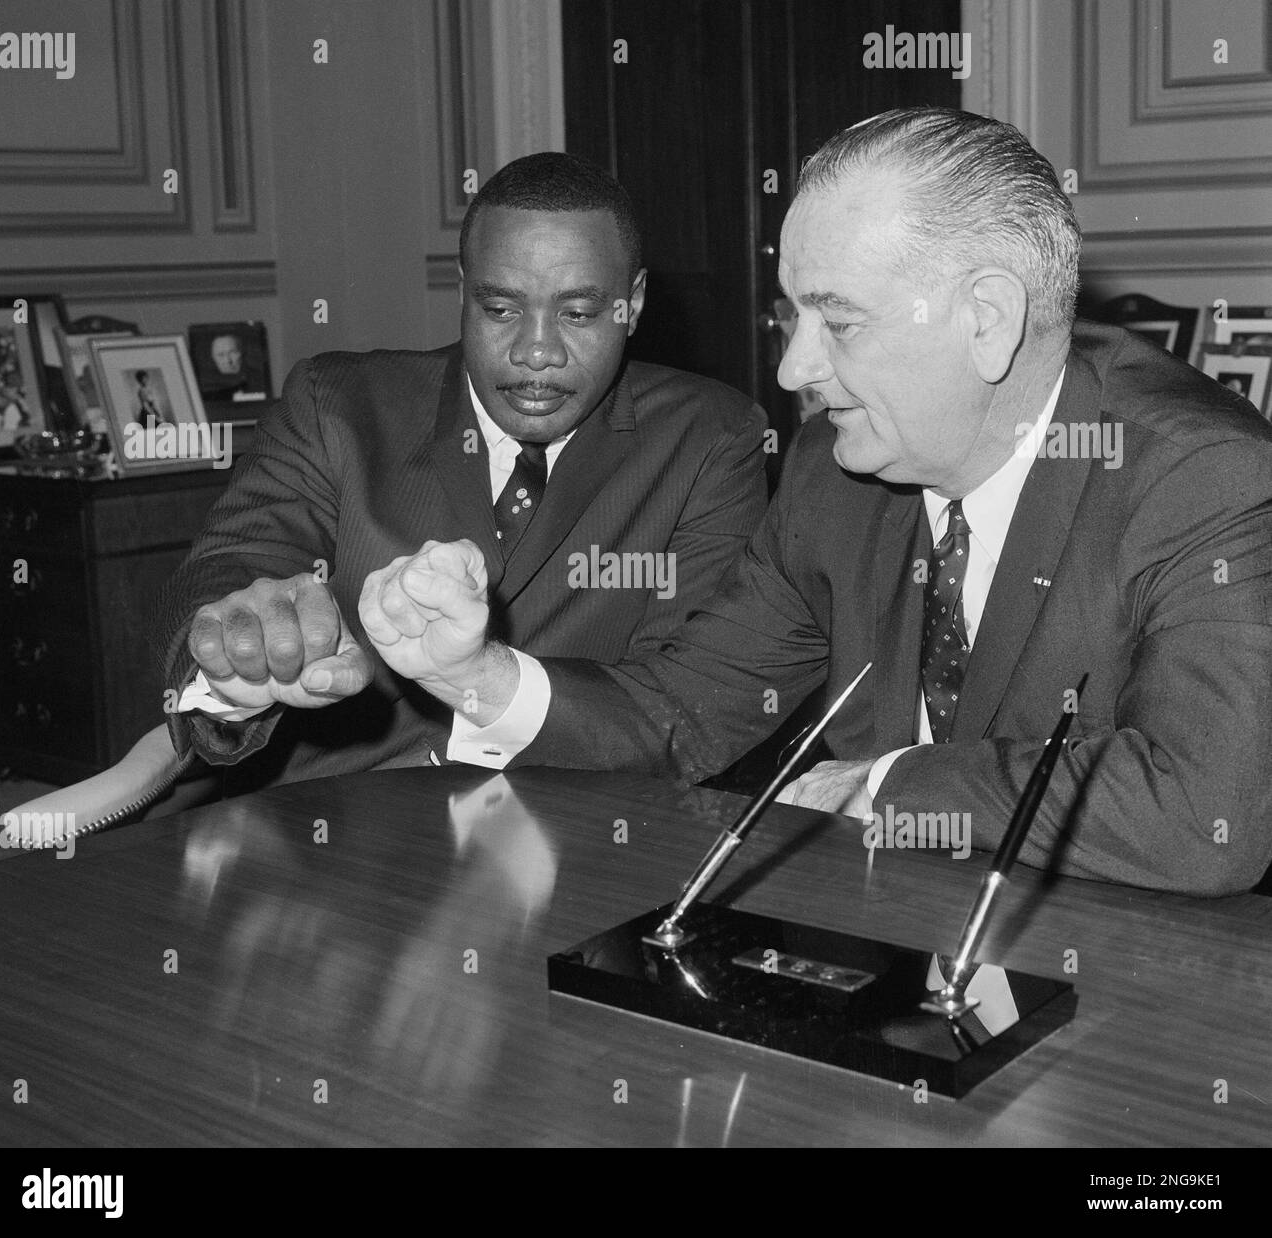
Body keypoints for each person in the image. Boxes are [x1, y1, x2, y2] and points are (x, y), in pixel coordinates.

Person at [363, 108, 1272, 897]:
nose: (795, 368)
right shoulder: (832, 475)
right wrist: (472, 674)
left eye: (837, 322)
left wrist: (889, 787)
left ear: (987, 321)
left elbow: (1206, 815)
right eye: (794, 317)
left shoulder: (1204, 476)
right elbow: (684, 715)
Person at [154, 152, 768, 789]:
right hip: (323, 838)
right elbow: (229, 567)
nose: (537, 351)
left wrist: (483, 676)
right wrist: (238, 655)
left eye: (578, 314)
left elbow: (683, 706)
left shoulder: (710, 440)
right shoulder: (334, 406)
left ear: (632, 304)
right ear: (464, 288)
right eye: (501, 309)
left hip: (576, 840)